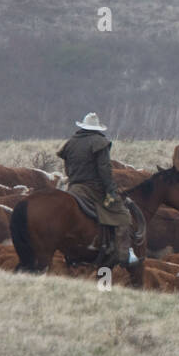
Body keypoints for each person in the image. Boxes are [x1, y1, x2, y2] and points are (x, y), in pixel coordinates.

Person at [57, 112, 134, 269]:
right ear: (97, 128)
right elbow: (104, 169)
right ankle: (123, 255)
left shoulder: (71, 142)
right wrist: (111, 191)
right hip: (93, 189)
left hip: (73, 188)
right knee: (122, 215)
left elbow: (67, 167)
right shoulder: (100, 142)